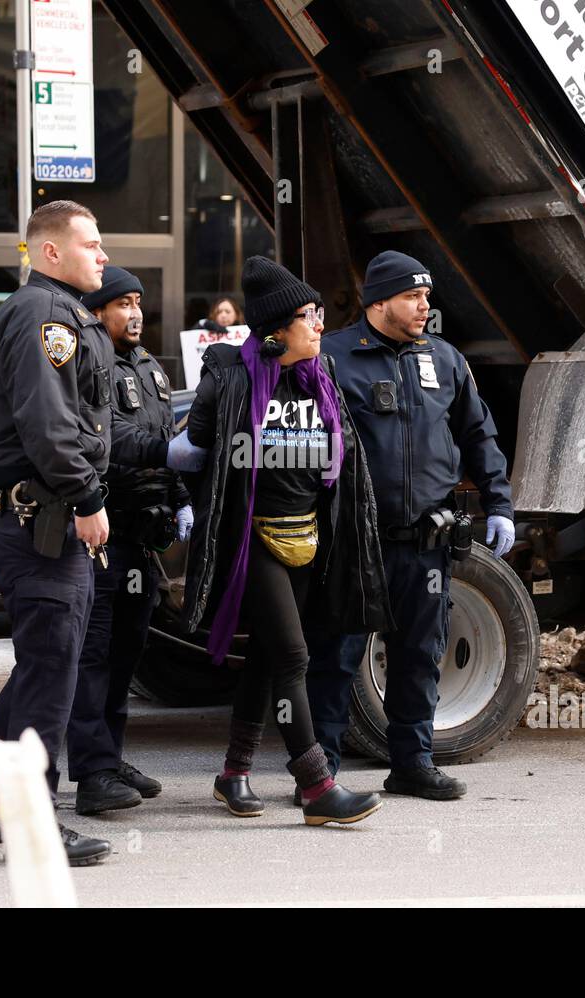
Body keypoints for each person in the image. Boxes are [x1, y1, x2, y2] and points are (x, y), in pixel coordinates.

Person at [182, 255, 389, 826]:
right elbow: (196, 453)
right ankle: (318, 787)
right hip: (251, 541)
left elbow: (342, 463)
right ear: (277, 328)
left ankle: (233, 774)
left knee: (271, 660)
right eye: (308, 315)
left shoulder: (318, 379)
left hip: (307, 536)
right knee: (295, 656)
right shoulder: (232, 376)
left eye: (321, 313)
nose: (321, 324)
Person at [0, 199, 114, 867]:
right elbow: (49, 427)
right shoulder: (47, 316)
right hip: (36, 517)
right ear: (50, 253)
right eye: (91, 244)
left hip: (38, 515)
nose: (103, 256)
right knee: (51, 670)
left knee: (45, 663)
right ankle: (33, 819)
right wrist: (87, 494)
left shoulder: (60, 314)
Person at [305, 251, 515, 801]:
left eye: (427, 297)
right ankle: (320, 772)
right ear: (379, 302)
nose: (425, 307)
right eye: (412, 297)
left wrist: (500, 504)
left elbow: (479, 437)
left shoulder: (445, 360)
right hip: (355, 541)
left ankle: (412, 763)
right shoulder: (332, 357)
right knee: (337, 658)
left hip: (426, 543)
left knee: (421, 654)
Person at [64, 266, 190, 815]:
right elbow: (106, 436)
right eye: (122, 303)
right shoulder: (89, 364)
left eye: (138, 301)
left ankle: (110, 757)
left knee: (126, 655)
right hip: (101, 527)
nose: (135, 312)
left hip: (142, 533)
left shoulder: (150, 368)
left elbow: (169, 437)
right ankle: (92, 774)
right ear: (98, 311)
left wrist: (181, 494)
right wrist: (167, 455)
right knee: (92, 655)